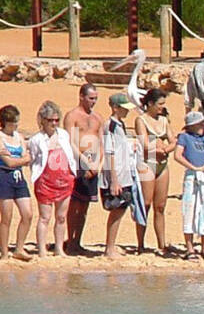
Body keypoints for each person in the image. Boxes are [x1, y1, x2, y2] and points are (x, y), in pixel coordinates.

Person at [28, 100, 78, 259]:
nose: (54, 123)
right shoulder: (36, 139)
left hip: (64, 180)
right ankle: (42, 249)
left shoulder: (63, 135)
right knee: (45, 217)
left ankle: (59, 248)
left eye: (56, 120)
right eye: (50, 120)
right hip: (45, 181)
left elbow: (70, 153)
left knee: (61, 217)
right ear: (42, 120)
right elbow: (32, 159)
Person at [101, 92, 144, 259]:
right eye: (124, 108)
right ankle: (109, 248)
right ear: (115, 108)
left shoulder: (120, 125)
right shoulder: (110, 126)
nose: (127, 111)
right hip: (116, 175)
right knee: (117, 209)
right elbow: (109, 152)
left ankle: (111, 246)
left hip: (124, 173)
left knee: (122, 208)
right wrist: (114, 180)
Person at [63, 83, 104, 254]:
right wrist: (83, 161)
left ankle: (78, 240)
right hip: (77, 163)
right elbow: (69, 141)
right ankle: (70, 240)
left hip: (93, 164)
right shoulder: (72, 116)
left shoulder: (98, 118)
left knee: (85, 205)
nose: (93, 102)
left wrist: (98, 164)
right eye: (91, 98)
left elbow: (101, 142)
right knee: (74, 204)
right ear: (81, 96)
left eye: (95, 98)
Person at [0, 105, 33, 262]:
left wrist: (19, 160)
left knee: (27, 214)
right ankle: (4, 251)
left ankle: (19, 248)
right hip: (3, 176)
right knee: (6, 216)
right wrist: (21, 160)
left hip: (18, 177)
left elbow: (26, 157)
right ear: (6, 122)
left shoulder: (19, 137)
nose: (16, 125)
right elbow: (7, 162)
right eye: (13, 122)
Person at [133, 87, 172, 254]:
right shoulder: (141, 120)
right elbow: (144, 144)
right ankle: (140, 243)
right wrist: (158, 147)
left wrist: (165, 149)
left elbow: (173, 140)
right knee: (146, 204)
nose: (162, 107)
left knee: (161, 206)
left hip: (162, 164)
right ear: (150, 103)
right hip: (147, 164)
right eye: (160, 104)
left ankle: (161, 243)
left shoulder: (164, 120)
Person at [174, 110, 204, 260]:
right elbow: (177, 155)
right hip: (192, 176)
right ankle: (190, 248)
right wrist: (193, 167)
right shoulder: (184, 137)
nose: (202, 126)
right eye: (199, 124)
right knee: (189, 210)